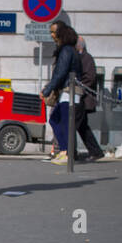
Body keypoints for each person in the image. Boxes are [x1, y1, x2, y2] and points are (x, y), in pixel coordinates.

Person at [40, 20, 82, 164]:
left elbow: (60, 72)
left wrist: (47, 90)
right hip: (67, 91)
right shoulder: (69, 50)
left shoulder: (66, 50)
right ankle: (64, 151)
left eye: (53, 32)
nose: (51, 35)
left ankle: (67, 153)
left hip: (69, 91)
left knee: (63, 122)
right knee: (56, 119)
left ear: (61, 34)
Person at [72, 36, 105, 160]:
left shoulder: (86, 58)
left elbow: (89, 78)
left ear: (79, 46)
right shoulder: (82, 58)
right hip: (80, 97)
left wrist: (77, 89)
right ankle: (95, 151)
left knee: (74, 125)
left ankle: (72, 153)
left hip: (82, 98)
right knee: (82, 127)